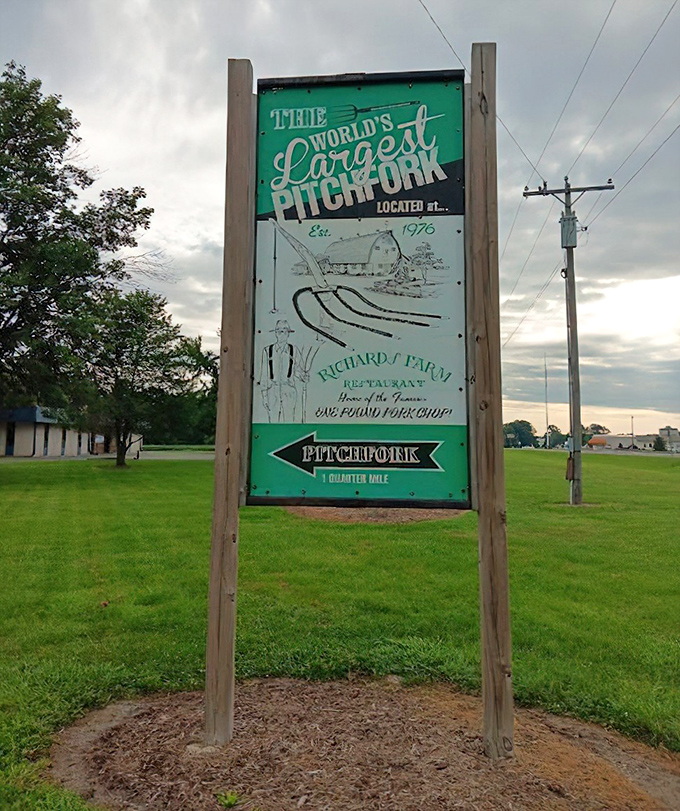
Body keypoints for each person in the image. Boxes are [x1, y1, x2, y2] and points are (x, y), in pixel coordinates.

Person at [259, 320, 307, 422]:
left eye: (285, 331)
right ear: (276, 333)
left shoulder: (294, 350)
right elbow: (264, 375)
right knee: (273, 421)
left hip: (288, 390)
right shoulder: (267, 351)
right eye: (280, 331)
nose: (282, 334)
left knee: (289, 421)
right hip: (272, 390)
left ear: (288, 334)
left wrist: (303, 376)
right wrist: (264, 396)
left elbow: (298, 370)